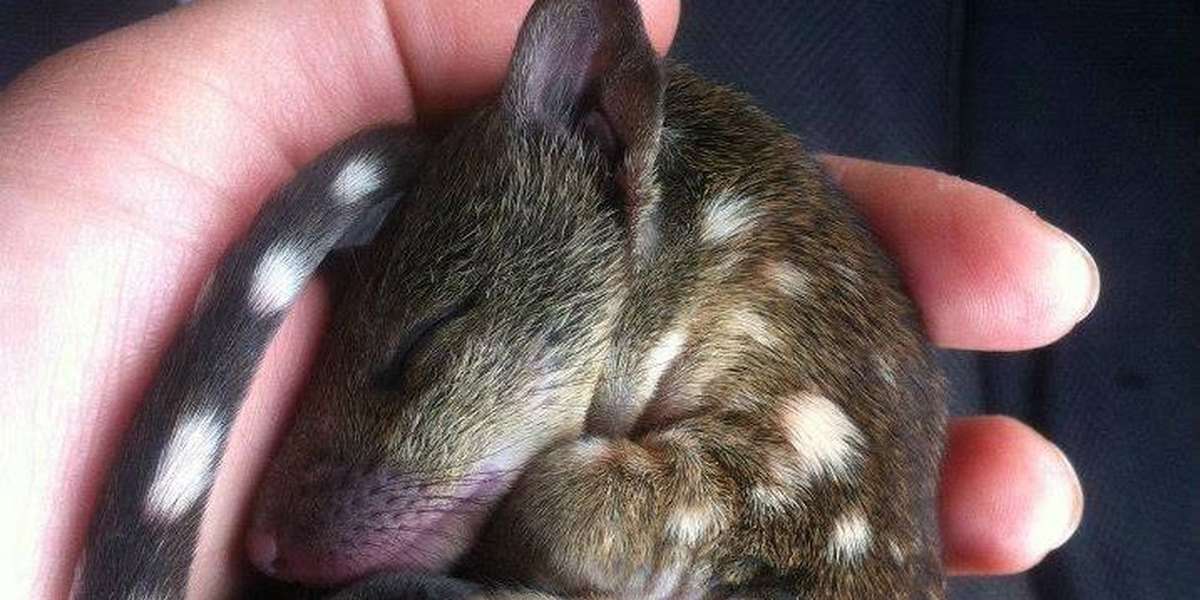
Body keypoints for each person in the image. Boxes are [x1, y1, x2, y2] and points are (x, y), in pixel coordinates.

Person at [0, 1, 1096, 598]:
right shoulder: (787, 404)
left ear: (613, 148)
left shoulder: (706, 473)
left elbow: (570, 523)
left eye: (420, 354)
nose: (271, 542)